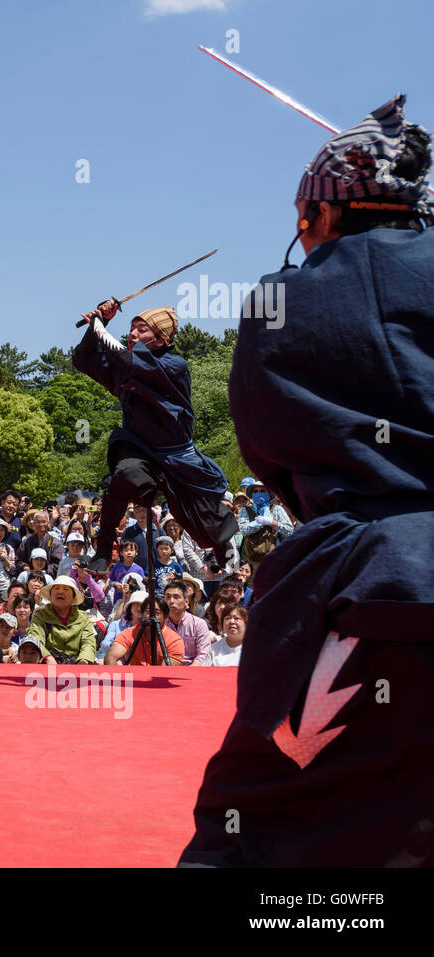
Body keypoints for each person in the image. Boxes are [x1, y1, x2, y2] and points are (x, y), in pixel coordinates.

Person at [182, 95, 434, 866]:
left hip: (377, 588)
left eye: (303, 220)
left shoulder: (281, 300)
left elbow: (269, 447)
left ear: (322, 211)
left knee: (256, 833)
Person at [73, 298, 239, 575]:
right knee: (123, 475)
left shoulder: (174, 365)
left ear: (160, 339)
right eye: (131, 328)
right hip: (139, 448)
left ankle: (223, 542)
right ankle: (103, 550)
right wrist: (96, 327)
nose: (133, 334)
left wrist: (99, 325)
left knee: (197, 516)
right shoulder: (126, 365)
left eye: (142, 330)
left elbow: (123, 356)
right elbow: (82, 360)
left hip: (175, 453)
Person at [27, 576, 97, 664]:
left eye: (66, 589)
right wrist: (48, 657)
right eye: (56, 588)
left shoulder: (83, 617)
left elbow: (88, 643)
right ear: (50, 594)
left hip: (77, 662)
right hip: (48, 662)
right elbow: (36, 639)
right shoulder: (40, 614)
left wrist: (83, 660)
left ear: (73, 597)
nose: (60, 592)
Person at [161, 581, 209, 666]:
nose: (171, 601)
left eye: (176, 597)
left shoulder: (198, 624)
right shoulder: (160, 624)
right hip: (165, 668)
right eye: (168, 597)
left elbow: (203, 655)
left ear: (186, 602)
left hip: (192, 669)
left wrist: (189, 671)